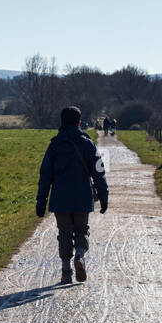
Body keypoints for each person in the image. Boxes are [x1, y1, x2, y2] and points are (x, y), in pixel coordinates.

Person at [35, 106, 109, 284]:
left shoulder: (54, 145)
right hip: (83, 197)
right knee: (82, 230)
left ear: (62, 122)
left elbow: (45, 175)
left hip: (60, 198)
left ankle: (66, 271)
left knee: (64, 233)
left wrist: (41, 201)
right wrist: (104, 196)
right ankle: (80, 255)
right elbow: (99, 172)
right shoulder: (87, 144)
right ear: (79, 122)